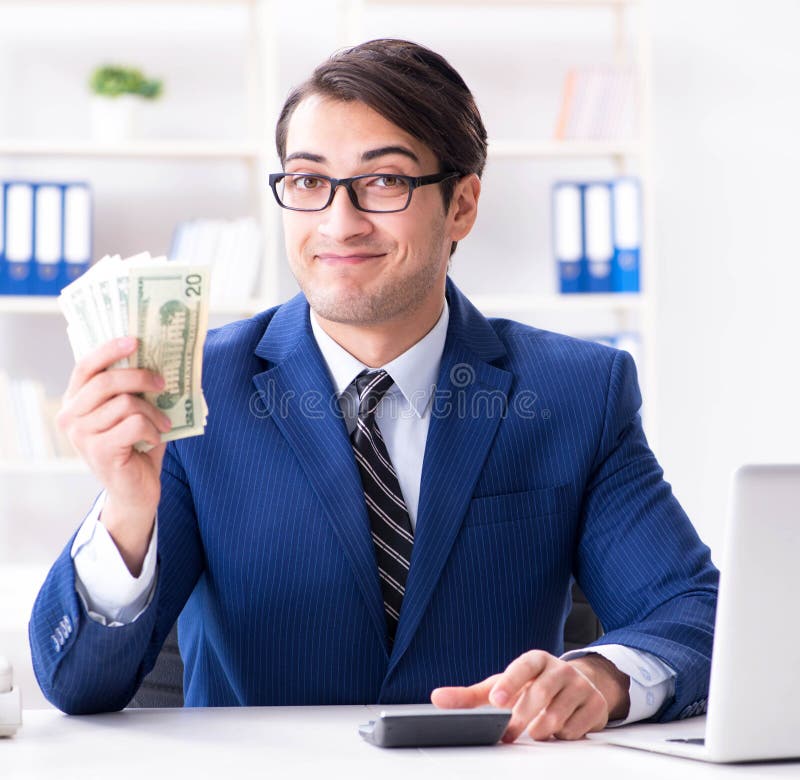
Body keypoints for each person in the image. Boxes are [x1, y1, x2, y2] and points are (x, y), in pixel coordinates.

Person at [30, 39, 717, 743]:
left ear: (462, 205)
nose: (339, 221)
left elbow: (695, 611)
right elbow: (80, 685)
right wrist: (126, 512)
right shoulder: (196, 389)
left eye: (384, 181)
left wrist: (603, 677)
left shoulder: (576, 391)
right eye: (307, 181)